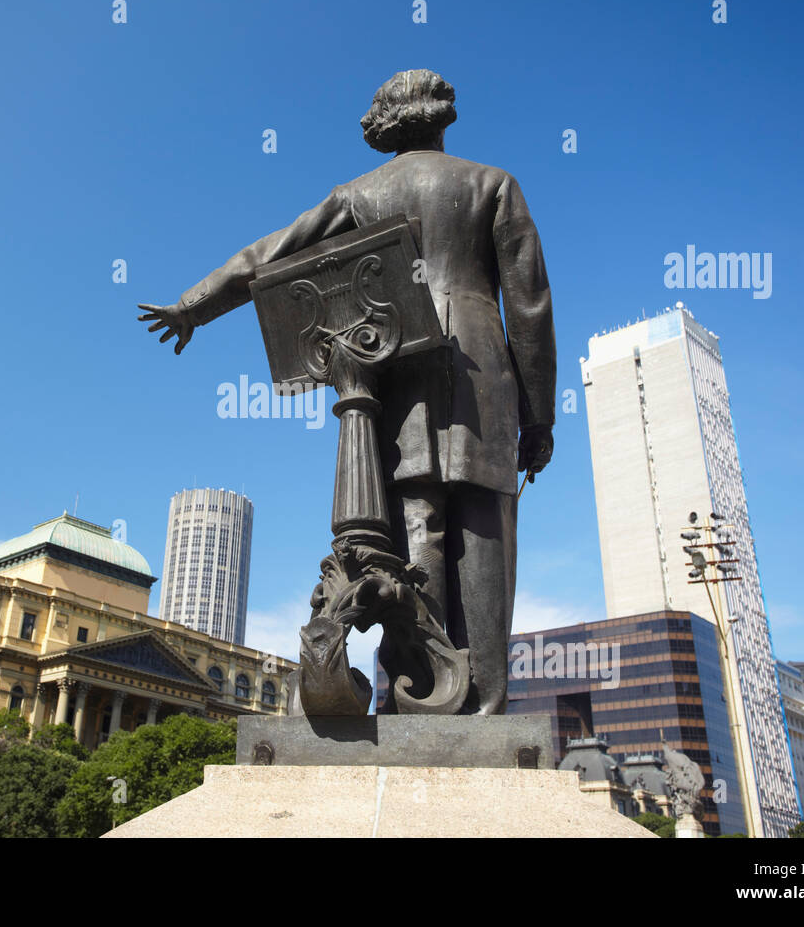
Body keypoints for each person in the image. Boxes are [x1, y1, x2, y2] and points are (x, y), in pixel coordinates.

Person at [140, 69, 555, 714]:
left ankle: (413, 698)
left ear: (388, 121)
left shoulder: (360, 193)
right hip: (481, 374)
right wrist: (538, 418)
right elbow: (529, 310)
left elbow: (267, 257)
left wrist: (193, 305)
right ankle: (483, 709)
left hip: (397, 366)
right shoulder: (492, 184)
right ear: (444, 118)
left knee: (415, 526)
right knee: (485, 533)